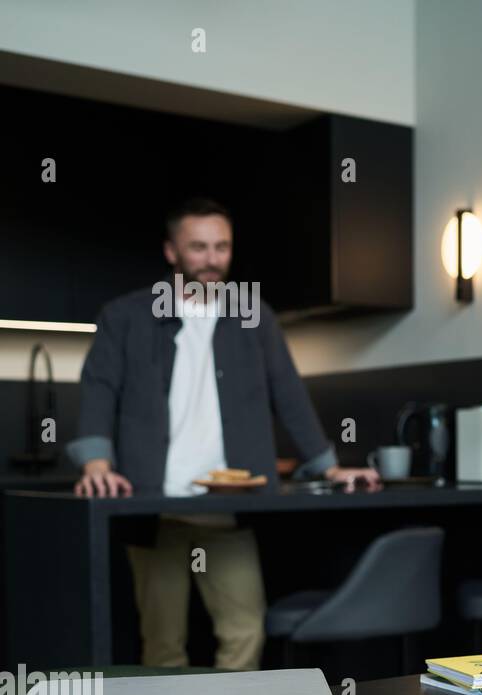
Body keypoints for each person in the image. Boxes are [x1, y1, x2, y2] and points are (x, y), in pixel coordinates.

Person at [67, 197, 379, 669]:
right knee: (162, 643)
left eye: (221, 246)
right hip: (156, 507)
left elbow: (289, 394)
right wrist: (96, 465)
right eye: (198, 247)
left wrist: (329, 466)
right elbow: (98, 389)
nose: (211, 259)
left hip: (230, 506)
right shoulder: (126, 316)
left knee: (244, 631)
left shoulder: (254, 315)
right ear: (172, 251)